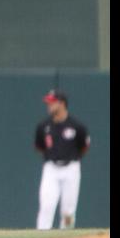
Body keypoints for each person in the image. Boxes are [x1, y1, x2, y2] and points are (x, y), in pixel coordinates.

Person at [35, 89, 91, 230]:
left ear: (61, 104)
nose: (48, 105)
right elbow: (39, 147)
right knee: (46, 205)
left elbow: (84, 147)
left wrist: (72, 157)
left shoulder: (77, 126)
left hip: (71, 168)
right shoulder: (43, 126)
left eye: (52, 103)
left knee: (68, 211)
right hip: (51, 168)